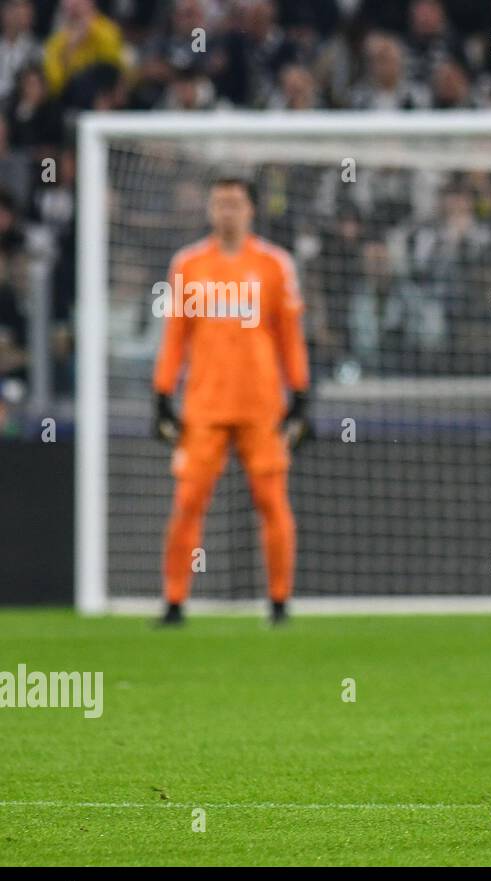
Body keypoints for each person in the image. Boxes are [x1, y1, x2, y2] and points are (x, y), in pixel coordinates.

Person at [152, 177, 311, 626]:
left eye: (234, 204)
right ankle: (174, 602)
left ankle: (279, 602)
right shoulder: (187, 265)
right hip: (203, 406)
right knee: (187, 502)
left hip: (262, 406)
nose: (226, 212)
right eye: (219, 203)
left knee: (272, 501)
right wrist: (162, 392)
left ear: (251, 211)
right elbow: (175, 336)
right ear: (208, 209)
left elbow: (290, 336)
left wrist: (300, 391)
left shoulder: (275, 265)